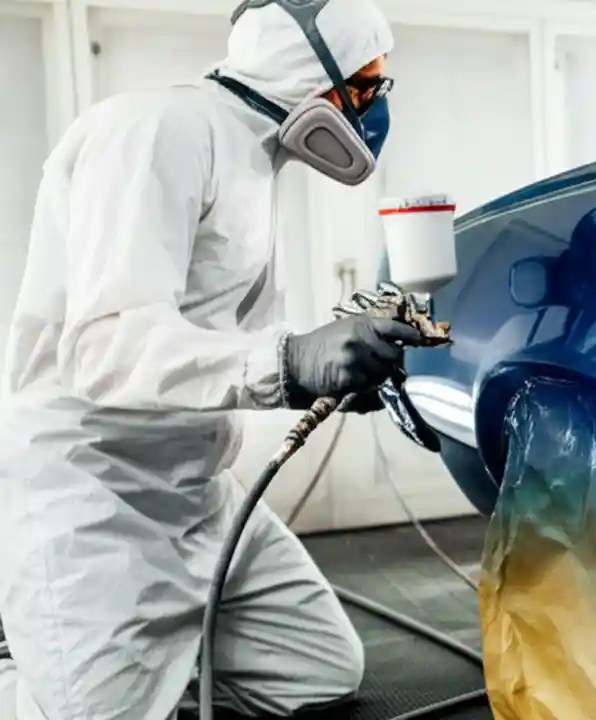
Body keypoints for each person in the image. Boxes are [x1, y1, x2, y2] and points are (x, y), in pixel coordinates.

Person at [0, 1, 410, 717]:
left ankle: (132, 662)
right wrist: (291, 362)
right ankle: (35, 657)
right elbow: (105, 347)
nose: (376, 105)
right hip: (95, 496)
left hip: (198, 493)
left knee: (322, 670)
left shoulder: (255, 155)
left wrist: (336, 360)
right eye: (367, 84)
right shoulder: (157, 130)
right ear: (308, 74)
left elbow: (209, 334)